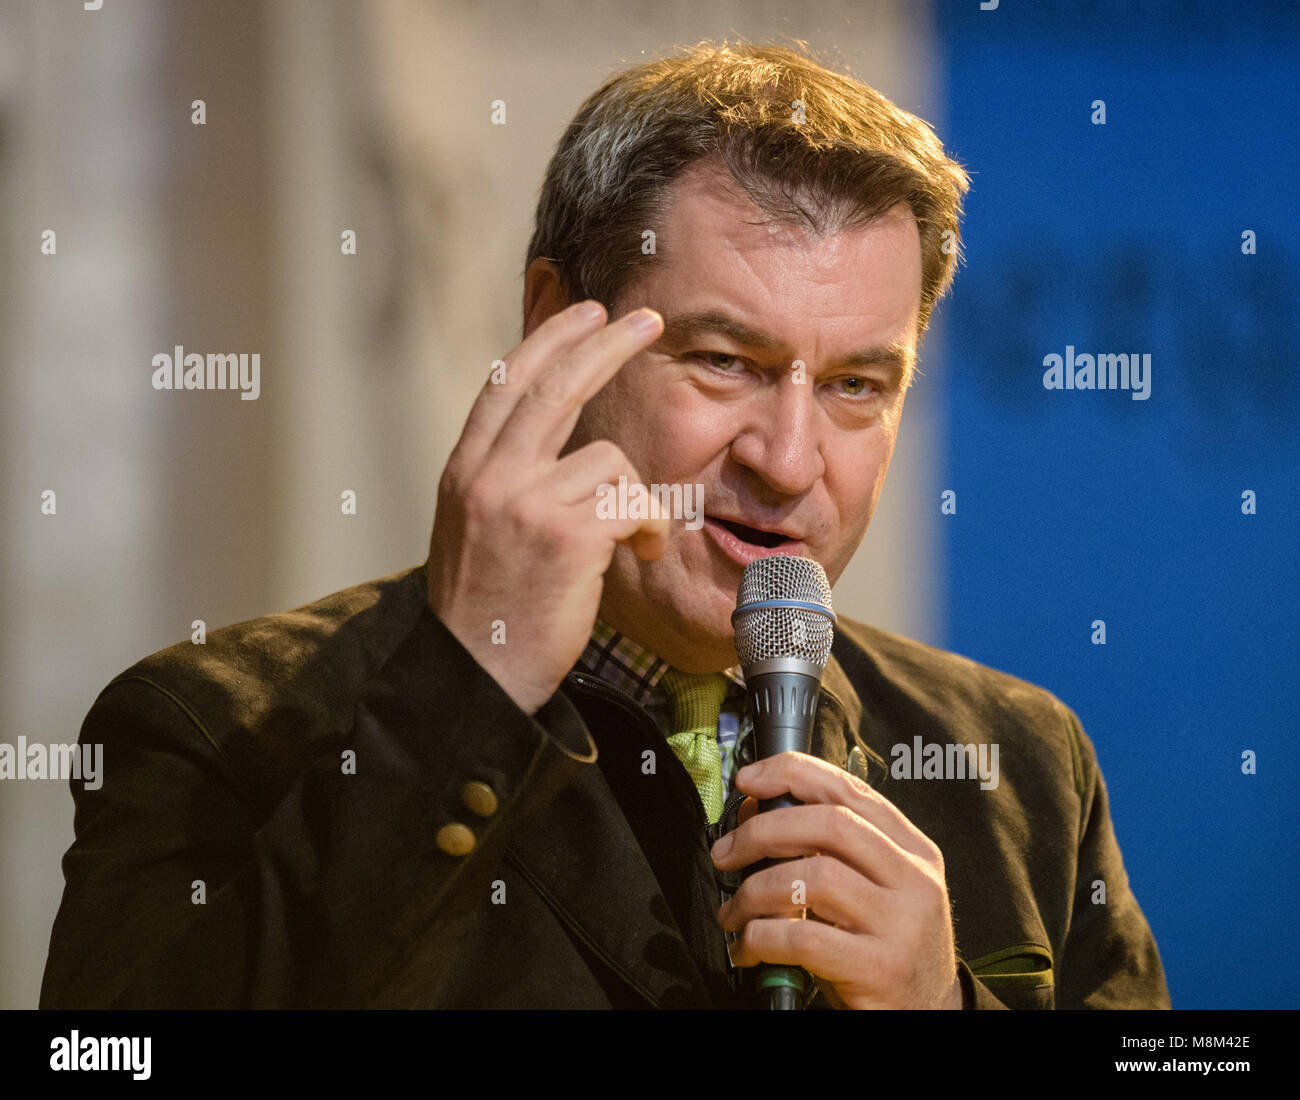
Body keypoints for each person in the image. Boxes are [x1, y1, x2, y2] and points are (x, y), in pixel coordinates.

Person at [40, 41, 1169, 1010]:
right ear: (553, 324)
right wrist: (464, 692)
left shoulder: (1024, 766)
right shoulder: (215, 725)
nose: (786, 461)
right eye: (725, 361)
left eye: (856, 386)